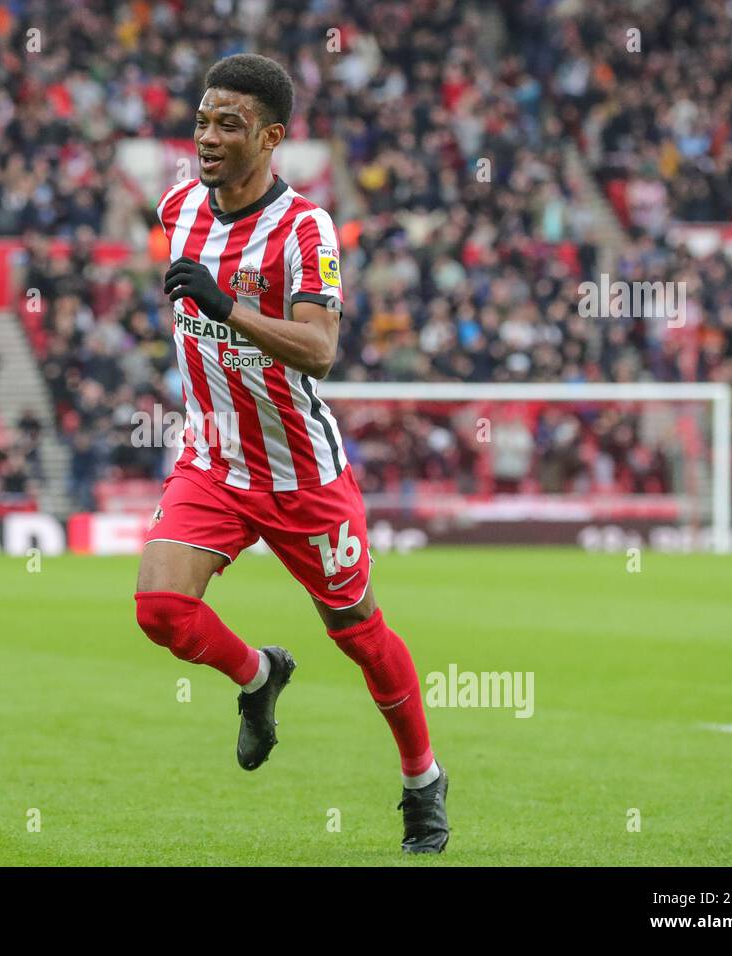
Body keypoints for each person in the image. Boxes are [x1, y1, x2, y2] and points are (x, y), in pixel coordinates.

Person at [135, 54, 449, 853]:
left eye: (228, 124)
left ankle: (422, 780)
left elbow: (319, 348)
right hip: (213, 459)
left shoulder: (305, 228)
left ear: (271, 137)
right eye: (202, 119)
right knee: (160, 610)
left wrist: (227, 306)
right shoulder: (177, 206)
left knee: (359, 634)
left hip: (303, 472)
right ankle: (258, 676)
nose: (207, 136)